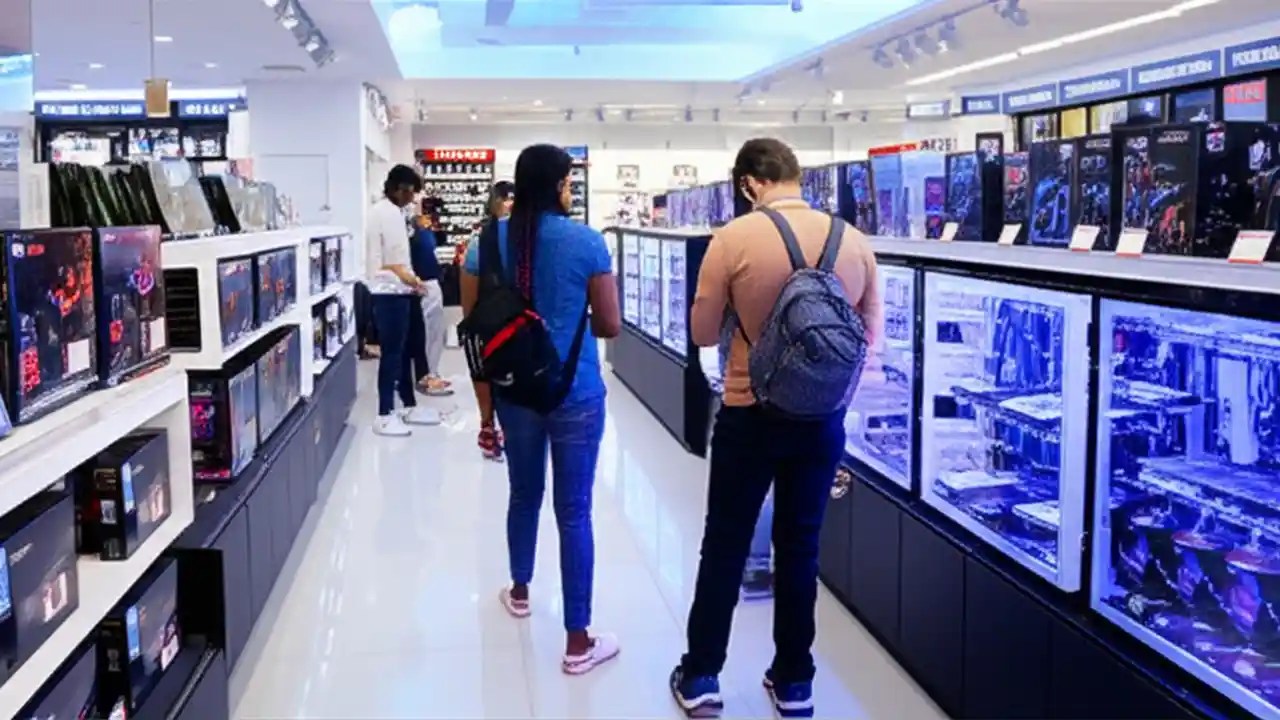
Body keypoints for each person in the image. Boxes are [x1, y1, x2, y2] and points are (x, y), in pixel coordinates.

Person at [670, 138, 882, 718]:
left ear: (747, 184)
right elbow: (870, 339)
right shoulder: (854, 242)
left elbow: (703, 333)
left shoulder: (732, 240)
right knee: (801, 547)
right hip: (821, 423)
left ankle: (702, 677)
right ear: (797, 177)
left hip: (749, 410)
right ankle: (794, 683)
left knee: (726, 543)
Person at [459, 147, 621, 674]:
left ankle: (522, 590)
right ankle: (578, 642)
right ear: (556, 186)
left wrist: (485, 416)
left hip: (514, 394)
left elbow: (477, 333)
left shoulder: (485, 244)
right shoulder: (587, 242)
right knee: (574, 510)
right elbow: (609, 326)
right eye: (569, 182)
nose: (571, 190)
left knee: (524, 492)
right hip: (575, 392)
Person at [365, 164, 443, 436]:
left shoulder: (396, 213)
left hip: (403, 291)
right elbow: (387, 263)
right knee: (392, 353)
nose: (412, 198)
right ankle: (385, 412)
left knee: (409, 349)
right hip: (388, 293)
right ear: (398, 188)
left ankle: (408, 405)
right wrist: (413, 281)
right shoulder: (380, 213)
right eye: (410, 192)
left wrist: (412, 283)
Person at [471, 180, 516, 461]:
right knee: (487, 371)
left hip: (510, 320)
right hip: (493, 320)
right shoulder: (483, 240)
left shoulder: (488, 238)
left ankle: (499, 427)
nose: (508, 204)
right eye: (504, 199)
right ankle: (488, 425)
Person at [408, 199, 452, 396]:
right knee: (429, 333)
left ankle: (430, 373)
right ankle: (427, 376)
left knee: (434, 333)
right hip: (424, 284)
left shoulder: (423, 234)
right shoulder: (416, 234)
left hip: (429, 283)